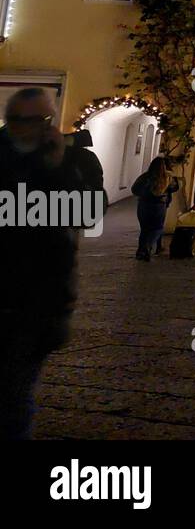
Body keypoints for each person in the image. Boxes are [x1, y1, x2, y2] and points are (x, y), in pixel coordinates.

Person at [0, 87, 103, 440]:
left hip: (39, 300)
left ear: (48, 121)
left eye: (34, 120)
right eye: (16, 119)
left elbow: (89, 215)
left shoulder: (75, 161)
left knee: (13, 395)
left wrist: (58, 168)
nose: (23, 127)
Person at [132, 157, 178, 261]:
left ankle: (140, 251)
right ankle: (147, 246)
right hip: (159, 206)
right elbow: (175, 187)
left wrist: (144, 194)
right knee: (158, 228)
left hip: (144, 205)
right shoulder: (168, 178)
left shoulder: (145, 176)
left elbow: (134, 189)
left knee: (144, 229)